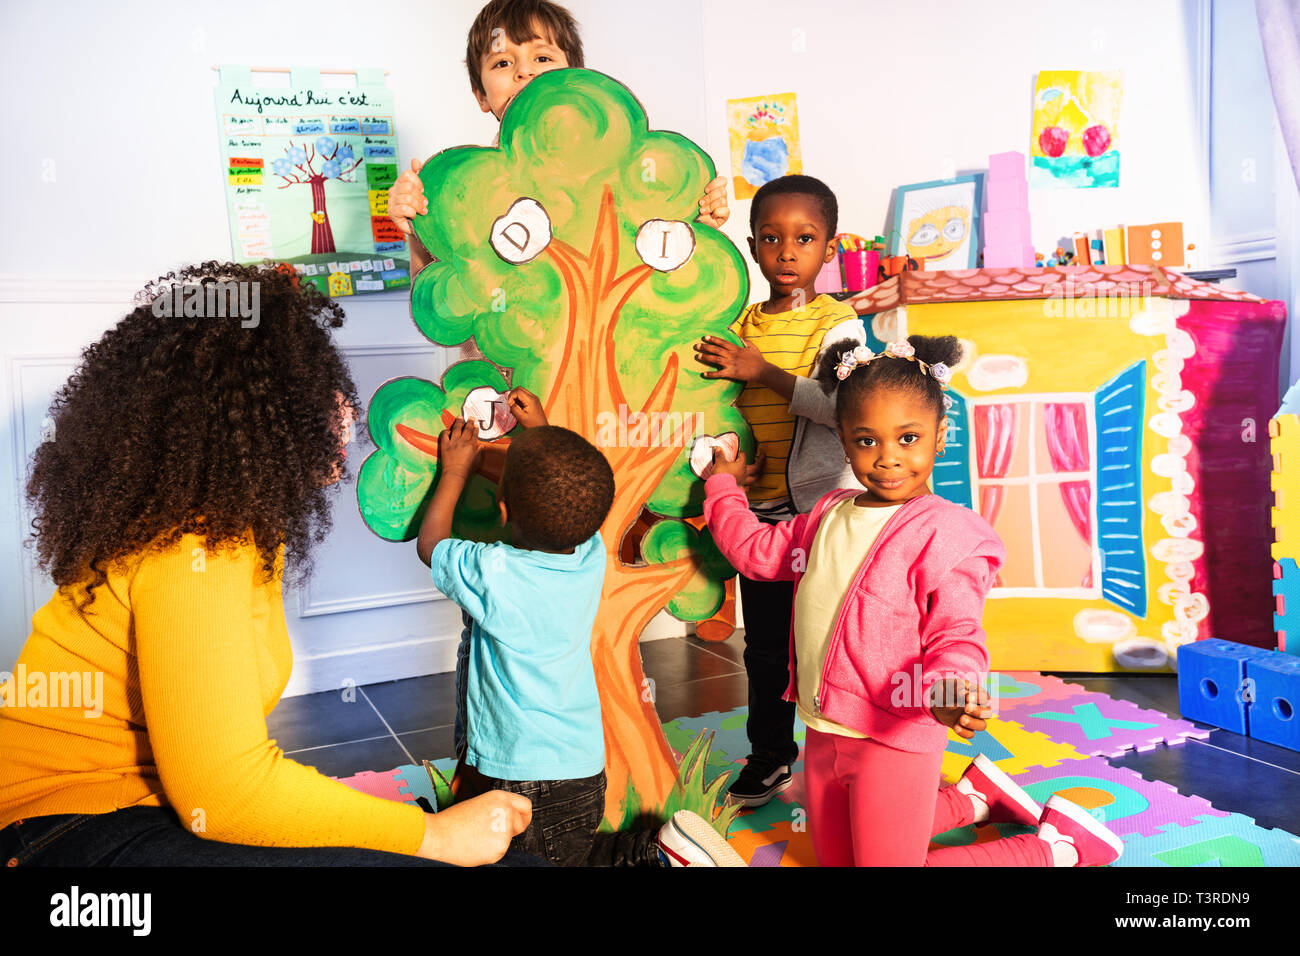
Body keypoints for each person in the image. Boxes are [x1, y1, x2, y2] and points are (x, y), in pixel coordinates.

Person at [0, 262, 539, 867]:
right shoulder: (192, 547)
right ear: (243, 416)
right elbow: (225, 794)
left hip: (149, 807)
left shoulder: (238, 528)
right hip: (59, 832)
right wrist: (436, 837)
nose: (342, 406)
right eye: (307, 388)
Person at [388, 0, 730, 760]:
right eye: (502, 64)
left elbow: (671, 271)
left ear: (573, 71)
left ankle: (612, 755)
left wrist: (703, 209)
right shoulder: (471, 186)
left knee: (598, 580)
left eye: (540, 58)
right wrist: (413, 223)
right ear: (481, 93)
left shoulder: (622, 169)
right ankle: (496, 759)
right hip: (510, 428)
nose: (522, 75)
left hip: (597, 429)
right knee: (505, 600)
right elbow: (439, 296)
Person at [701, 333, 1126, 866]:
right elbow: (760, 555)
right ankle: (972, 799)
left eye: (907, 438)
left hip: (895, 736)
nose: (886, 459)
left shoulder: (947, 534)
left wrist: (951, 690)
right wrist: (724, 489)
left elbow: (957, 634)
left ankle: (1053, 848)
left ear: (939, 434)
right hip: (823, 729)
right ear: (842, 438)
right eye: (866, 440)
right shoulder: (829, 513)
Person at [416, 390, 743, 867]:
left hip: (518, 775)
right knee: (571, 852)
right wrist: (542, 431)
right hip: (582, 766)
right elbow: (570, 498)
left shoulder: (495, 572)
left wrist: (455, 470)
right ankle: (653, 850)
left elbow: (432, 545)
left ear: (503, 510)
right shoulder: (588, 555)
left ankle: (654, 858)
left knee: (537, 863)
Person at [691, 174, 864, 808]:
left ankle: (839, 751)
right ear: (753, 244)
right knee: (763, 647)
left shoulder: (837, 323)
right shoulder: (740, 321)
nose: (786, 252)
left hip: (817, 514)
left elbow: (845, 405)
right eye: (770, 238)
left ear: (830, 246)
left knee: (823, 637)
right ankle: (769, 755)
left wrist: (761, 370)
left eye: (804, 238)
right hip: (756, 514)